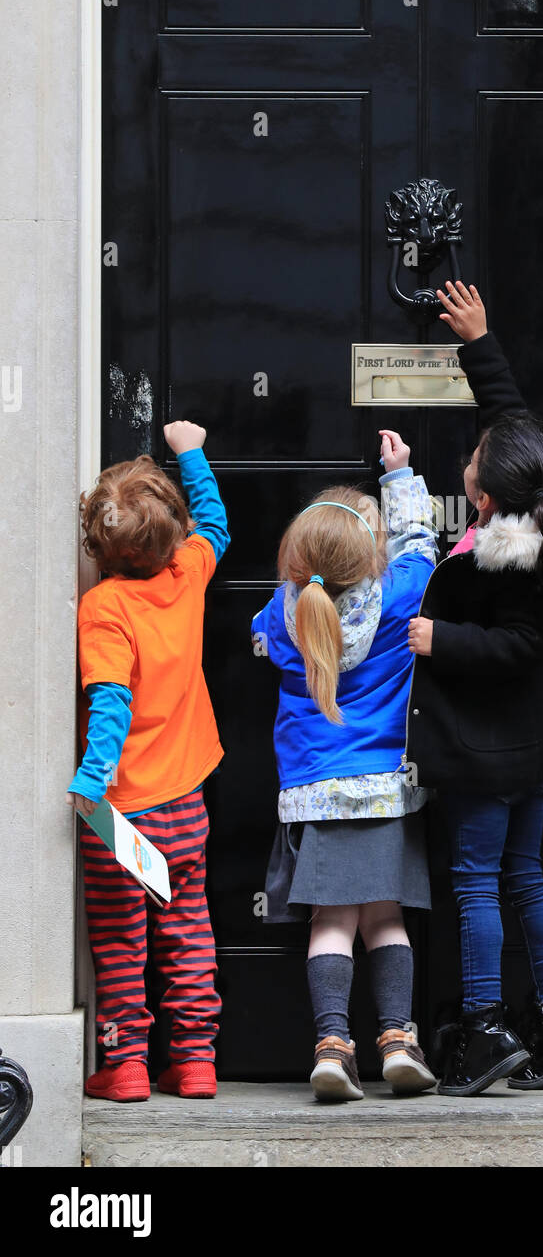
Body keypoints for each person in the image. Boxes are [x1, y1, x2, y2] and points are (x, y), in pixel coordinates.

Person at [405, 281, 543, 1097]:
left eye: (477, 460)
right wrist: (479, 341)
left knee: (474, 880)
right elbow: (518, 426)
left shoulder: (504, 556)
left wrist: (438, 637)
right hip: (532, 744)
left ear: (485, 495)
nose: (476, 449)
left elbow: (521, 645)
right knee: (524, 877)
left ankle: (488, 1027)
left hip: (488, 748)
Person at [252, 430, 439, 1101]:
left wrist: (301, 576)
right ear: (373, 552)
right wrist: (401, 474)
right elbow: (421, 547)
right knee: (386, 919)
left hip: (315, 794)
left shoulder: (284, 614)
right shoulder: (399, 599)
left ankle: (332, 1046)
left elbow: (267, 623)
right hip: (385, 790)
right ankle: (397, 1039)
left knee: (330, 925)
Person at [67, 421, 230, 1102]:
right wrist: (192, 450)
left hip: (121, 812)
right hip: (185, 800)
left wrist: (92, 778)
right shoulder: (187, 573)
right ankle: (195, 1061)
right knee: (187, 928)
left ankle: (127, 1064)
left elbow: (110, 702)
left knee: (121, 942)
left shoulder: (103, 607)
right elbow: (215, 526)